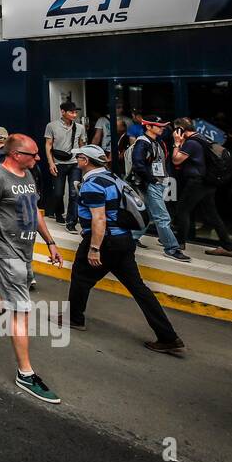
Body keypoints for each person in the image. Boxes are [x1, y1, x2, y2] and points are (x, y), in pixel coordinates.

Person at [0, 134, 65, 403]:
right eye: (32, 155)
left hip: (25, 251)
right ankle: (25, 373)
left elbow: (34, 211)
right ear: (15, 154)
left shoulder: (27, 175)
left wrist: (51, 242)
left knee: (9, 298)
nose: (37, 159)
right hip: (6, 252)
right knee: (21, 309)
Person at [66, 145, 185, 352]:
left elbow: (99, 218)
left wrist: (94, 248)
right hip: (123, 241)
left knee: (80, 277)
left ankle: (75, 318)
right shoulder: (114, 178)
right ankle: (168, 336)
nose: (77, 161)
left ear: (85, 160)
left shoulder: (92, 184)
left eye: (79, 157)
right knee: (139, 289)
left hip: (104, 241)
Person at [127, 114, 191, 263]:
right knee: (162, 217)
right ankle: (172, 249)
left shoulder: (157, 141)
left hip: (158, 183)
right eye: (158, 126)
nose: (162, 128)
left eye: (163, 126)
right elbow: (138, 164)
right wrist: (152, 180)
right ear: (148, 127)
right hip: (151, 184)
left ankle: (132, 237)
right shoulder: (142, 143)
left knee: (149, 214)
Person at [170, 118, 232, 256]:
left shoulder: (191, 143)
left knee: (182, 210)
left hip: (197, 182)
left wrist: (177, 143)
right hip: (207, 182)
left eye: (176, 129)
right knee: (212, 214)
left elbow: (176, 159)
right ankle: (227, 246)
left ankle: (178, 243)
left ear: (180, 130)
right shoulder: (201, 138)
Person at [44, 101, 87, 230]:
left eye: (75, 112)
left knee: (74, 193)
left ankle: (71, 222)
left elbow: (82, 145)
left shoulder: (80, 127)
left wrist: (83, 163)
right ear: (62, 112)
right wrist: (51, 163)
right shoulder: (51, 126)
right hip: (58, 163)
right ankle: (58, 213)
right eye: (71, 112)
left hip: (74, 163)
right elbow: (48, 145)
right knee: (58, 193)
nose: (74, 115)